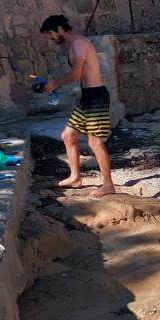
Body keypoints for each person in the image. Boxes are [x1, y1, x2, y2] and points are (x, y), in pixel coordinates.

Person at [39, 15, 115, 197]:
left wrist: (55, 84)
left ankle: (108, 185)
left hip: (96, 96)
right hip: (87, 97)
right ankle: (75, 177)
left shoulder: (79, 43)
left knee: (95, 142)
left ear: (59, 29)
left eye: (50, 34)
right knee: (68, 135)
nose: (50, 38)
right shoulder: (74, 45)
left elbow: (76, 73)